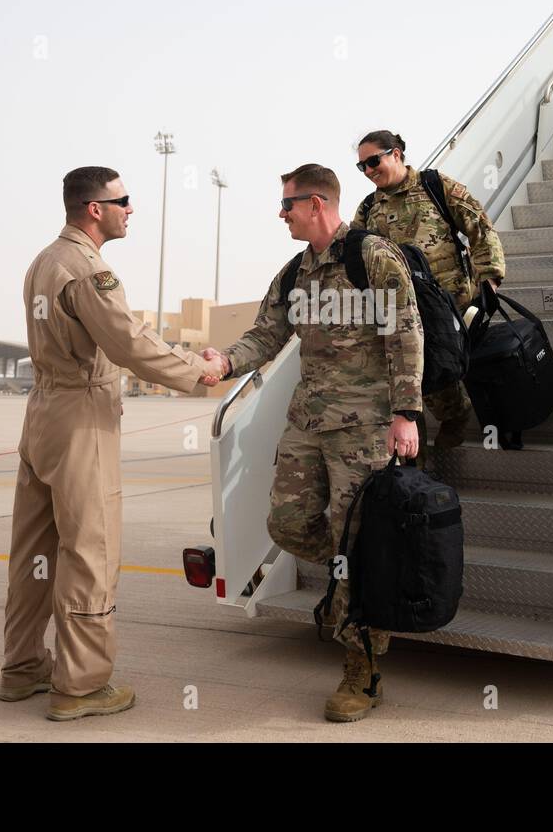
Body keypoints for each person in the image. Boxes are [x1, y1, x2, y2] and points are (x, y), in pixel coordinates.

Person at [0, 166, 224, 722]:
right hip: (81, 417)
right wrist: (200, 371)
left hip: (42, 415)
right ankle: (80, 685)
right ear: (94, 208)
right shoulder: (87, 269)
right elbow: (128, 342)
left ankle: (23, 666)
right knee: (90, 550)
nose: (131, 209)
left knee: (35, 551)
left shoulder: (44, 261)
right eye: (123, 200)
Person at [201, 163, 423, 723]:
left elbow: (407, 331)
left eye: (288, 205)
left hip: (366, 426)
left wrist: (406, 414)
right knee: (288, 523)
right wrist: (227, 360)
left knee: (358, 544)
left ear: (318, 203)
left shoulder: (371, 256)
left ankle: (362, 673)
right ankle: (355, 569)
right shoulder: (295, 272)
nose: (282, 214)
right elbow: (267, 334)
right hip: (308, 421)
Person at [353, 130, 506, 449]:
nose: (368, 171)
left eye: (372, 161)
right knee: (424, 370)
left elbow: (479, 226)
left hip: (455, 300)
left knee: (460, 365)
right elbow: (353, 256)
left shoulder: (435, 185)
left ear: (395, 154)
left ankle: (490, 419)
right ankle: (449, 422)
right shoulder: (369, 209)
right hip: (405, 309)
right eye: (361, 167)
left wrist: (489, 278)